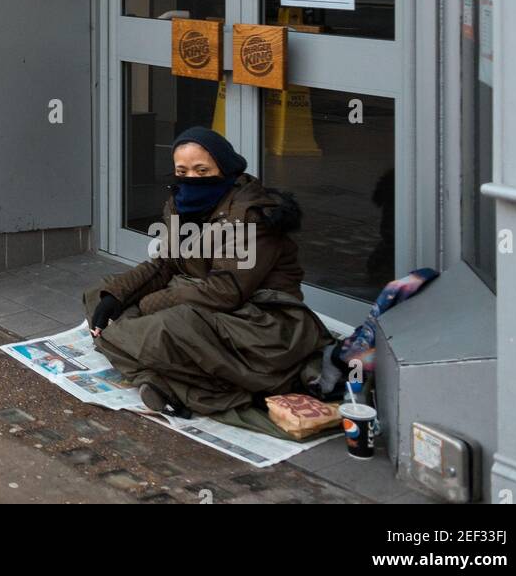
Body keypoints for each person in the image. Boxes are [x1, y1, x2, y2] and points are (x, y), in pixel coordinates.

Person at [84, 126, 331, 418]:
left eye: (202, 170)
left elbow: (224, 291)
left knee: (158, 327)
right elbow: (165, 263)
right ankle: (156, 372)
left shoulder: (251, 216)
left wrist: (147, 305)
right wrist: (117, 296)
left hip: (261, 320)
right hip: (204, 300)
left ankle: (167, 381)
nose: (192, 179)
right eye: (183, 171)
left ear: (225, 169)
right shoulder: (179, 205)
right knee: (99, 297)